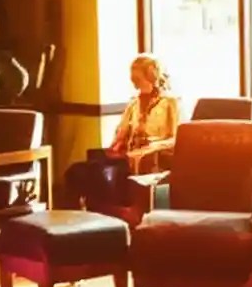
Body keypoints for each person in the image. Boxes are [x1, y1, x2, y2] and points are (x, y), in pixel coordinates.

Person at [63, 54, 180, 208]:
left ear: (152, 77)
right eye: (133, 81)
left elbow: (177, 139)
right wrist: (118, 140)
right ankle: (77, 218)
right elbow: (121, 134)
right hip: (127, 157)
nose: (135, 86)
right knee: (76, 172)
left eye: (138, 81)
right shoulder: (134, 103)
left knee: (100, 175)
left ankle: (107, 217)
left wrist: (152, 147)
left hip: (150, 160)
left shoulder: (170, 103)